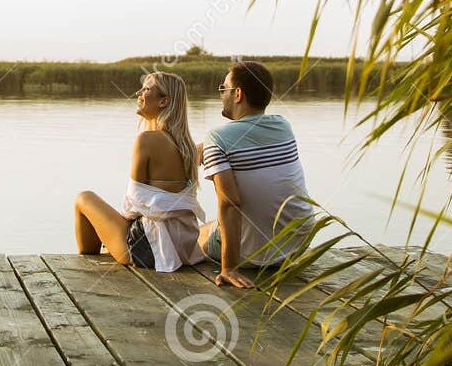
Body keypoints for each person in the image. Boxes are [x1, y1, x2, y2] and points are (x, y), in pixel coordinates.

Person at [197, 60, 317, 287]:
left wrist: (228, 268)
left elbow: (230, 202)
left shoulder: (218, 137)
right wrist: (202, 151)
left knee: (195, 235)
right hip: (296, 246)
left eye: (224, 89)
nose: (221, 94)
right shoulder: (283, 126)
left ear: (238, 94)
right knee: (214, 223)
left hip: (252, 254)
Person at [74, 72, 206, 271]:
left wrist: (111, 230)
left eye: (146, 89)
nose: (139, 93)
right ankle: (105, 248)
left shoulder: (147, 140)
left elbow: (132, 205)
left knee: (84, 198)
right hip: (182, 247)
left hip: (148, 249)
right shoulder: (186, 145)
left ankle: (87, 260)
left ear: (163, 101)